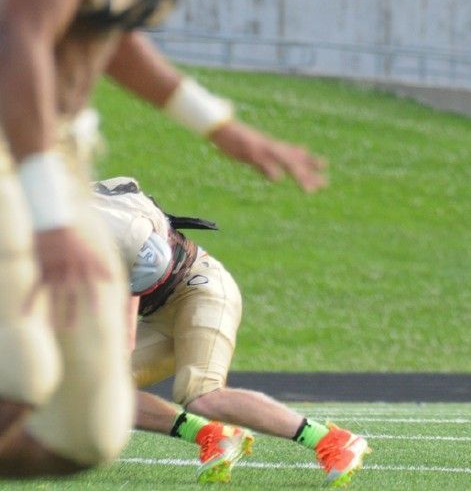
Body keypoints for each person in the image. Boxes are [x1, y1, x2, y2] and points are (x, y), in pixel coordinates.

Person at [0, 0, 325, 478]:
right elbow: (20, 30)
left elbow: (95, 24)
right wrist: (49, 214)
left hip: (40, 147)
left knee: (83, 428)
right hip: (20, 153)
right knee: (24, 383)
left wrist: (220, 125)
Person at [90, 176, 369, 486]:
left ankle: (332, 440)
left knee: (200, 394)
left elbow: (126, 316)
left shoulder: (107, 230)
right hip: (160, 309)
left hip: (199, 288)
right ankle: (214, 436)